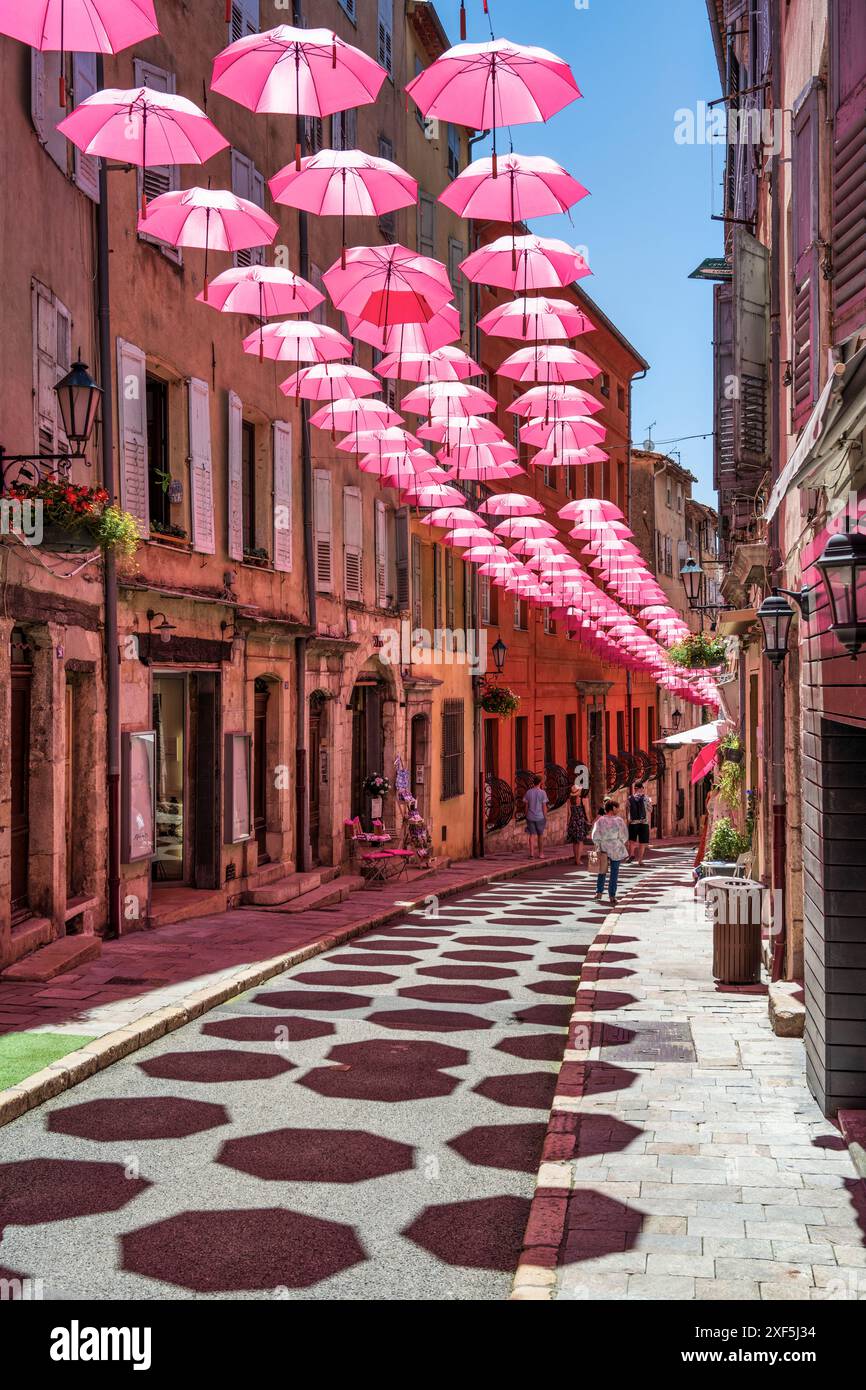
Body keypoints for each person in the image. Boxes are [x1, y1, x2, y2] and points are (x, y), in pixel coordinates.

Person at [591, 797, 630, 905]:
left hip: (603, 847)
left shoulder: (600, 820)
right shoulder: (619, 820)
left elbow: (595, 835)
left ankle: (599, 892)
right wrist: (620, 842)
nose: (618, 810)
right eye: (617, 808)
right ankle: (612, 895)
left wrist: (598, 844)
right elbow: (624, 835)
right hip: (615, 848)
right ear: (612, 808)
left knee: (601, 871)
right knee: (614, 872)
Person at [627, 780, 654, 865]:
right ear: (642, 788)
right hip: (644, 822)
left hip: (633, 822)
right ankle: (640, 860)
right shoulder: (646, 798)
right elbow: (650, 810)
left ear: (635, 789)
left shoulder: (630, 798)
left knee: (632, 840)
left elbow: (627, 810)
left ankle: (631, 854)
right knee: (642, 842)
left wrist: (628, 819)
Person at [523, 774, 549, 859]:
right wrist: (545, 817)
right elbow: (544, 806)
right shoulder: (543, 793)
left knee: (531, 835)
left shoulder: (528, 792)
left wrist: (526, 815)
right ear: (540, 783)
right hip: (540, 817)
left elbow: (526, 806)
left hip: (530, 816)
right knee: (540, 835)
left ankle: (531, 854)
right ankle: (541, 853)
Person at [565, 786, 591, 867]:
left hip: (573, 822)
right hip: (580, 822)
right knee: (580, 842)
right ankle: (578, 860)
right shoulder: (583, 800)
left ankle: (576, 859)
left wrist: (567, 824)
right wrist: (589, 821)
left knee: (575, 842)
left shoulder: (569, 801)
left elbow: (569, 814)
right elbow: (586, 812)